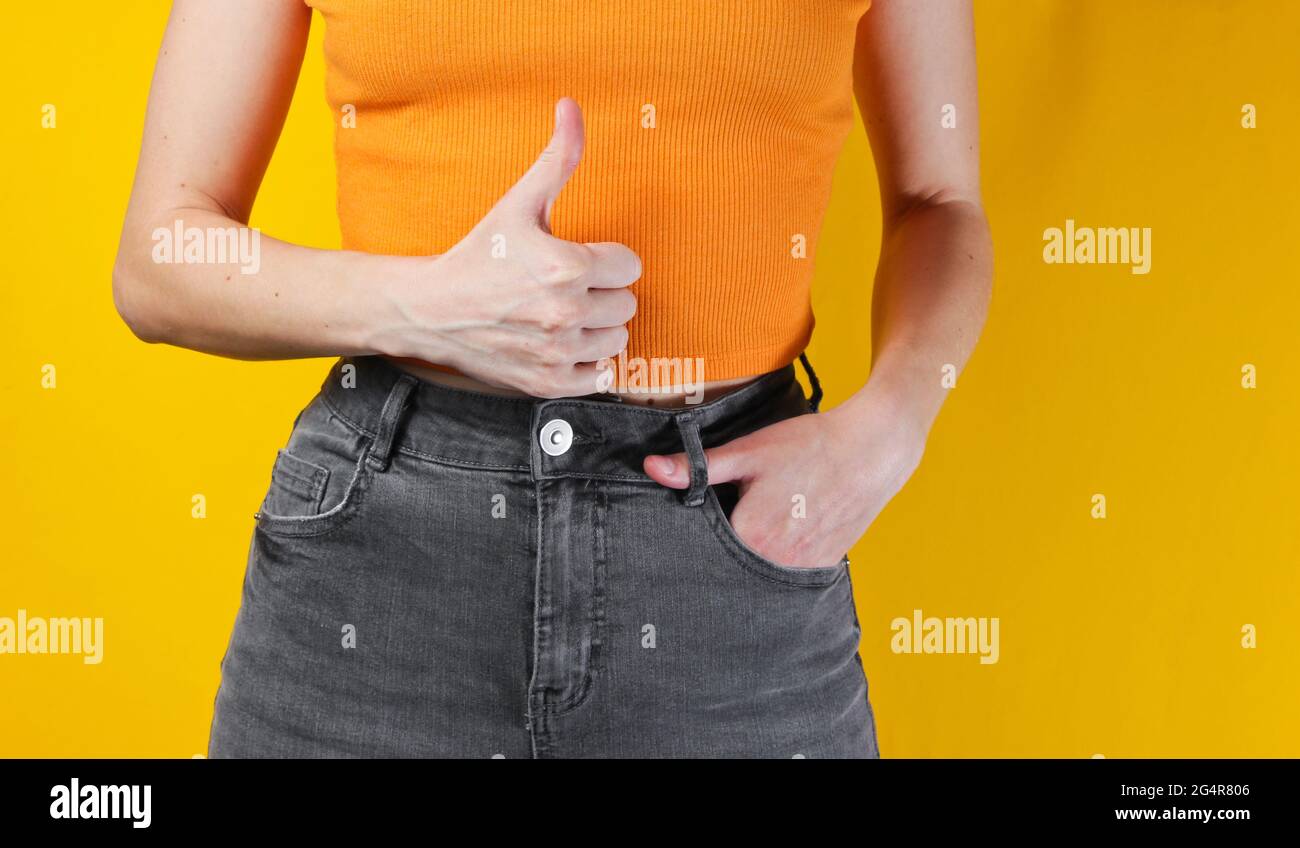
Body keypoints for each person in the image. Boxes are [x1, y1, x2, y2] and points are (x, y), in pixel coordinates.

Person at [114, 0, 992, 758]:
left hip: (731, 537)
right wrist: (423, 305)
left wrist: (890, 427)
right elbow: (160, 259)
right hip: (383, 550)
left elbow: (938, 200)